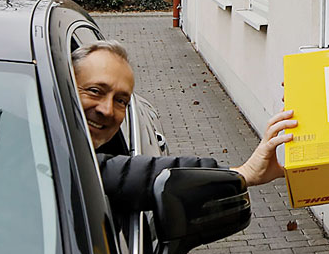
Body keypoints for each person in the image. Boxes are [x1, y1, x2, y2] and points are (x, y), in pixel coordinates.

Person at [70, 40, 295, 204]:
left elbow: (130, 176)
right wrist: (242, 174)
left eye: (121, 100)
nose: (107, 110)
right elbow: (129, 176)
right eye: (94, 91)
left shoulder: (79, 156)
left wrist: (243, 174)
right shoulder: (52, 157)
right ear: (65, 86)